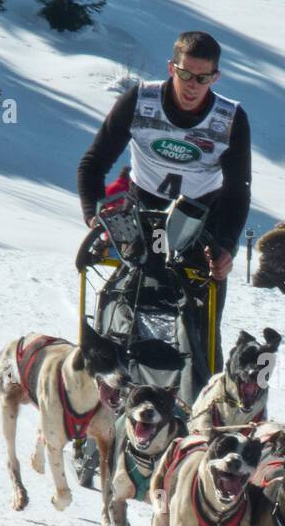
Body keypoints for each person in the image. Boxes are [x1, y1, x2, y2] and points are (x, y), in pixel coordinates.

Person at [75, 30, 251, 370]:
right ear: (172, 67)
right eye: (185, 74)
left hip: (203, 220)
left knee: (201, 322)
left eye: (202, 78)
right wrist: (93, 215)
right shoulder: (140, 101)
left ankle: (200, 395)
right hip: (144, 213)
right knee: (124, 302)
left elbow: (237, 190)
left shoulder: (230, 119)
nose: (191, 86)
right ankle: (111, 381)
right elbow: (93, 164)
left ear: (215, 77)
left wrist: (226, 247)